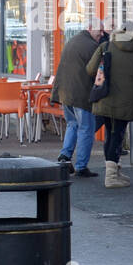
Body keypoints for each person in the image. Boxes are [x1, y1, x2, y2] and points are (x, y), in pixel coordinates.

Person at [87, 20, 133, 189]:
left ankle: (114, 172)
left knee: (110, 134)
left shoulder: (106, 46)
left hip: (103, 97)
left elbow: (90, 69)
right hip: (125, 102)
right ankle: (111, 176)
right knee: (117, 135)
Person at [54, 18, 108, 177]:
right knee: (86, 129)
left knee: (72, 125)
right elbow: (97, 72)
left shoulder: (73, 41)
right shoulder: (92, 47)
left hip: (66, 94)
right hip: (81, 95)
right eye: (99, 32)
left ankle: (64, 157)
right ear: (90, 28)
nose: (102, 34)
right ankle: (81, 166)